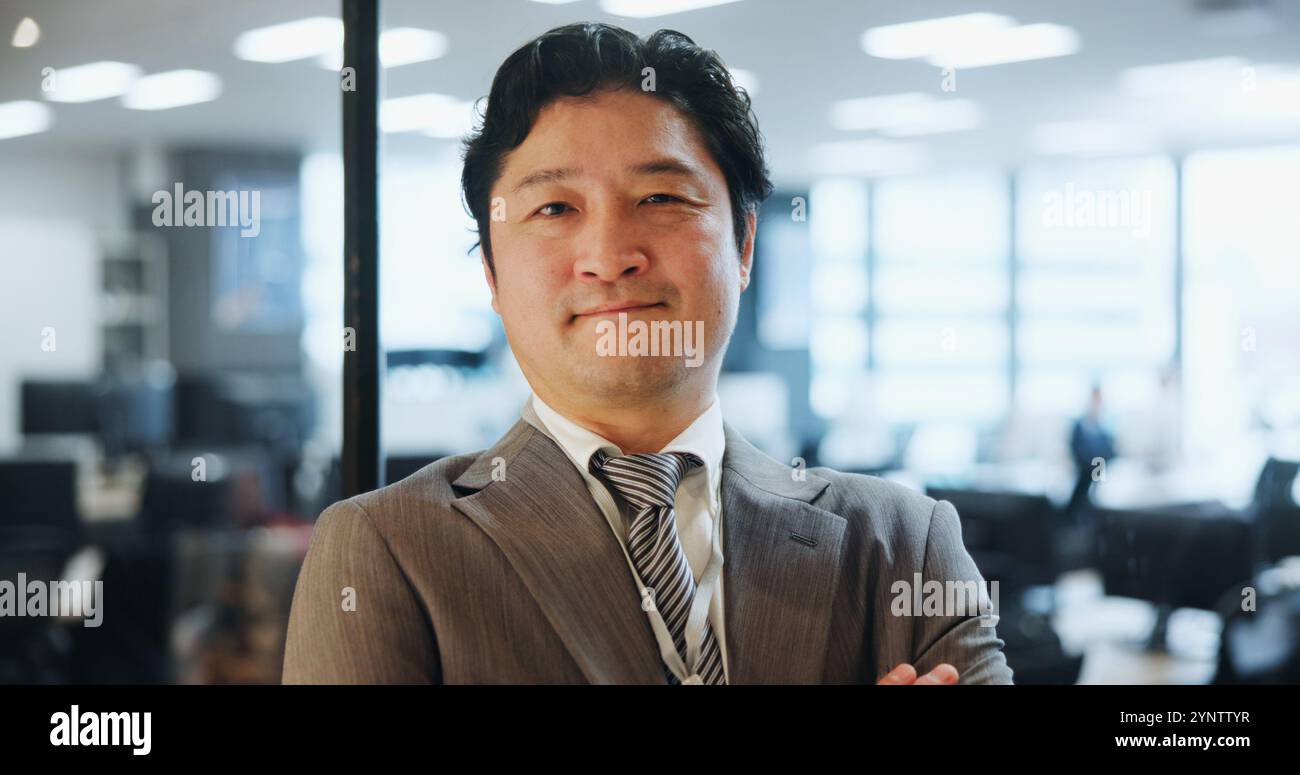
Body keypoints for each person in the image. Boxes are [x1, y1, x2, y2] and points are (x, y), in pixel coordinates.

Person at [283, 22, 1012, 685]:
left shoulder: (903, 544)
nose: (609, 256)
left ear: (745, 245)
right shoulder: (388, 550)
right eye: (555, 209)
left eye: (661, 198)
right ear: (493, 277)